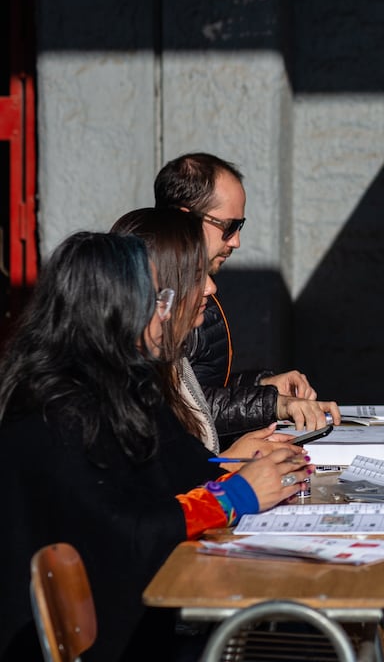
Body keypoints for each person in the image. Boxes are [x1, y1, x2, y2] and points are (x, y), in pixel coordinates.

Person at [0, 232, 311, 662]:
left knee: (296, 624)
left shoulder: (124, 382)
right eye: (157, 300)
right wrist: (236, 494)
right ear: (114, 308)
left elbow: (186, 469)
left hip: (141, 620)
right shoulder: (52, 410)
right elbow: (122, 533)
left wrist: (242, 467)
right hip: (104, 642)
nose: (166, 314)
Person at [111, 207, 340, 453]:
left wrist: (264, 386)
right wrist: (229, 469)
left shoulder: (166, 362)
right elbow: (164, 485)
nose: (210, 288)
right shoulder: (118, 389)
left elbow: (201, 400)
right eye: (229, 225)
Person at [152, 152, 337, 445]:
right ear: (186, 218)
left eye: (240, 226)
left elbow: (198, 387)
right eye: (229, 227)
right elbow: (177, 406)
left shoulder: (191, 287)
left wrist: (262, 385)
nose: (236, 240)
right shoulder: (156, 290)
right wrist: (273, 403)